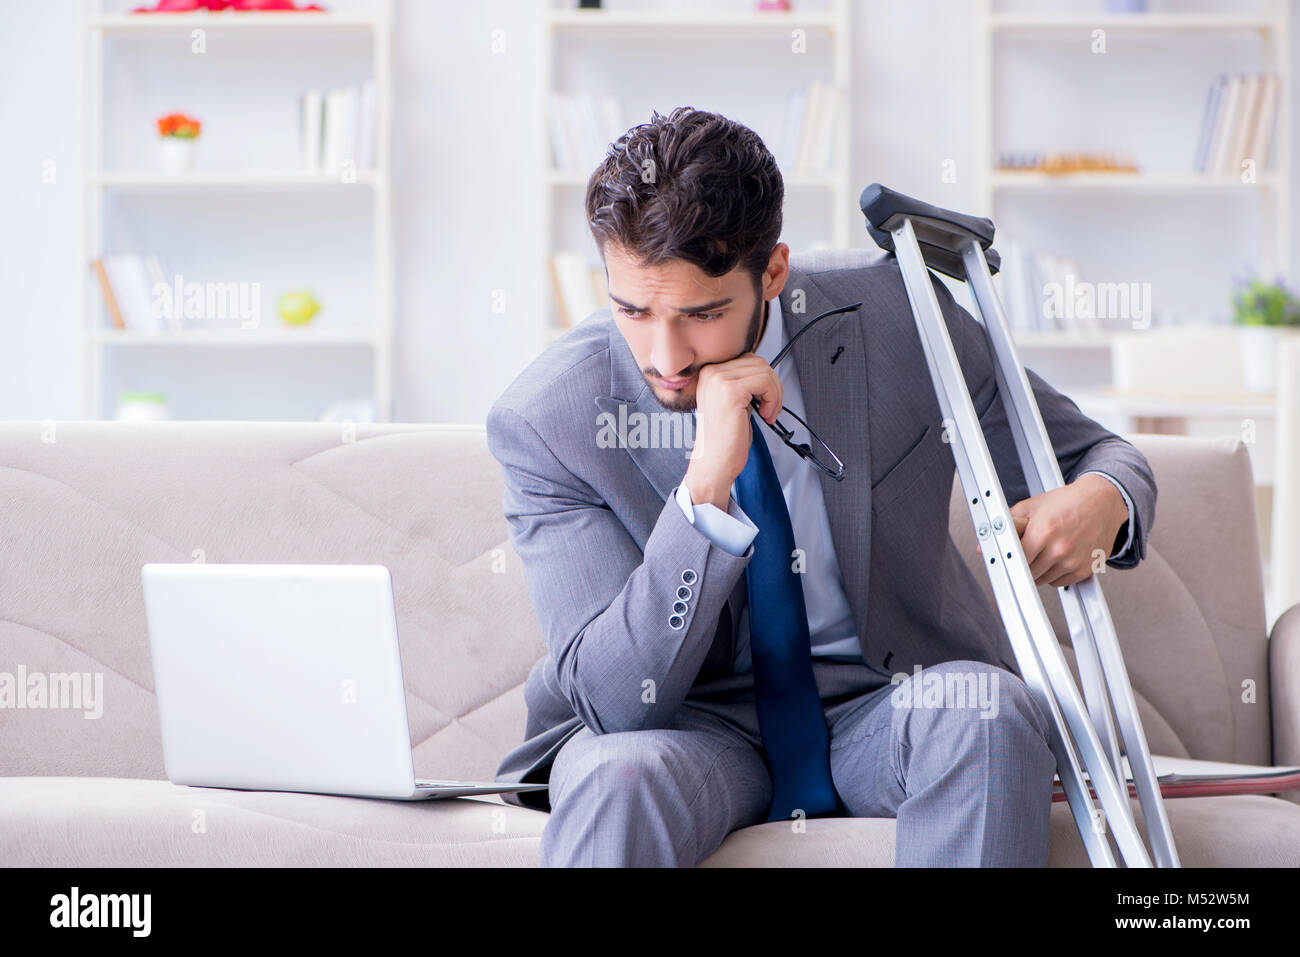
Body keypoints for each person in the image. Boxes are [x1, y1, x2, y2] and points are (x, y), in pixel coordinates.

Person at [486, 106, 1155, 867]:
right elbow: (614, 698)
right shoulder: (549, 420)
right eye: (632, 310)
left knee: (988, 715)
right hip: (686, 723)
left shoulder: (899, 319)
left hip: (883, 698)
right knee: (618, 776)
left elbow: (1095, 452)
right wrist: (703, 493)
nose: (665, 354)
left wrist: (1105, 498)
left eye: (701, 314)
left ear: (772, 270)